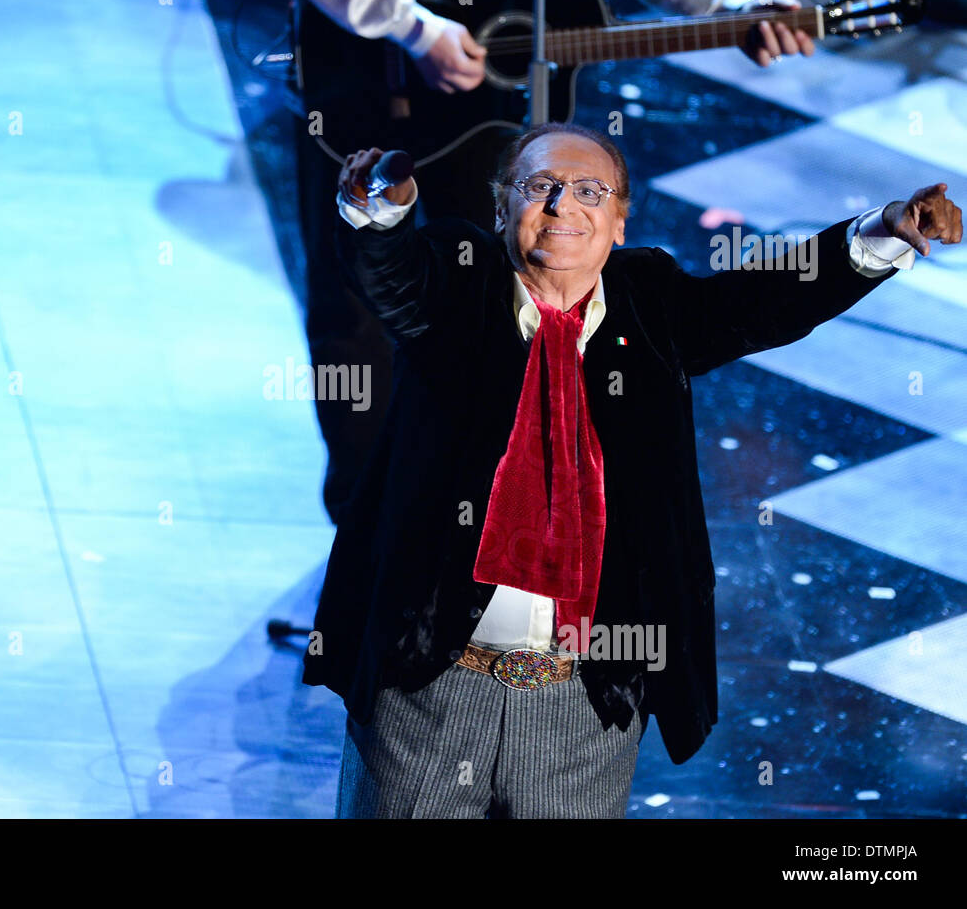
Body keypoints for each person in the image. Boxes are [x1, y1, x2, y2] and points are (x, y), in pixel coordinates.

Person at [303, 122, 961, 818]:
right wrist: (381, 210)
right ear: (502, 211)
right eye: (540, 187)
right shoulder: (457, 282)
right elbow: (391, 270)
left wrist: (886, 230)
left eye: (591, 191)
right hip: (428, 691)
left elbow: (768, 303)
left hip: (583, 708)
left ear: (618, 223)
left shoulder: (652, 303)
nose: (563, 205)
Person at [278, 0, 817, 523]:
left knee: (503, 300)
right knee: (355, 309)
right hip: (363, 67)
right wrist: (416, 28)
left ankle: (482, 526)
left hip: (494, 101)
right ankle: (361, 538)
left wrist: (729, 8)